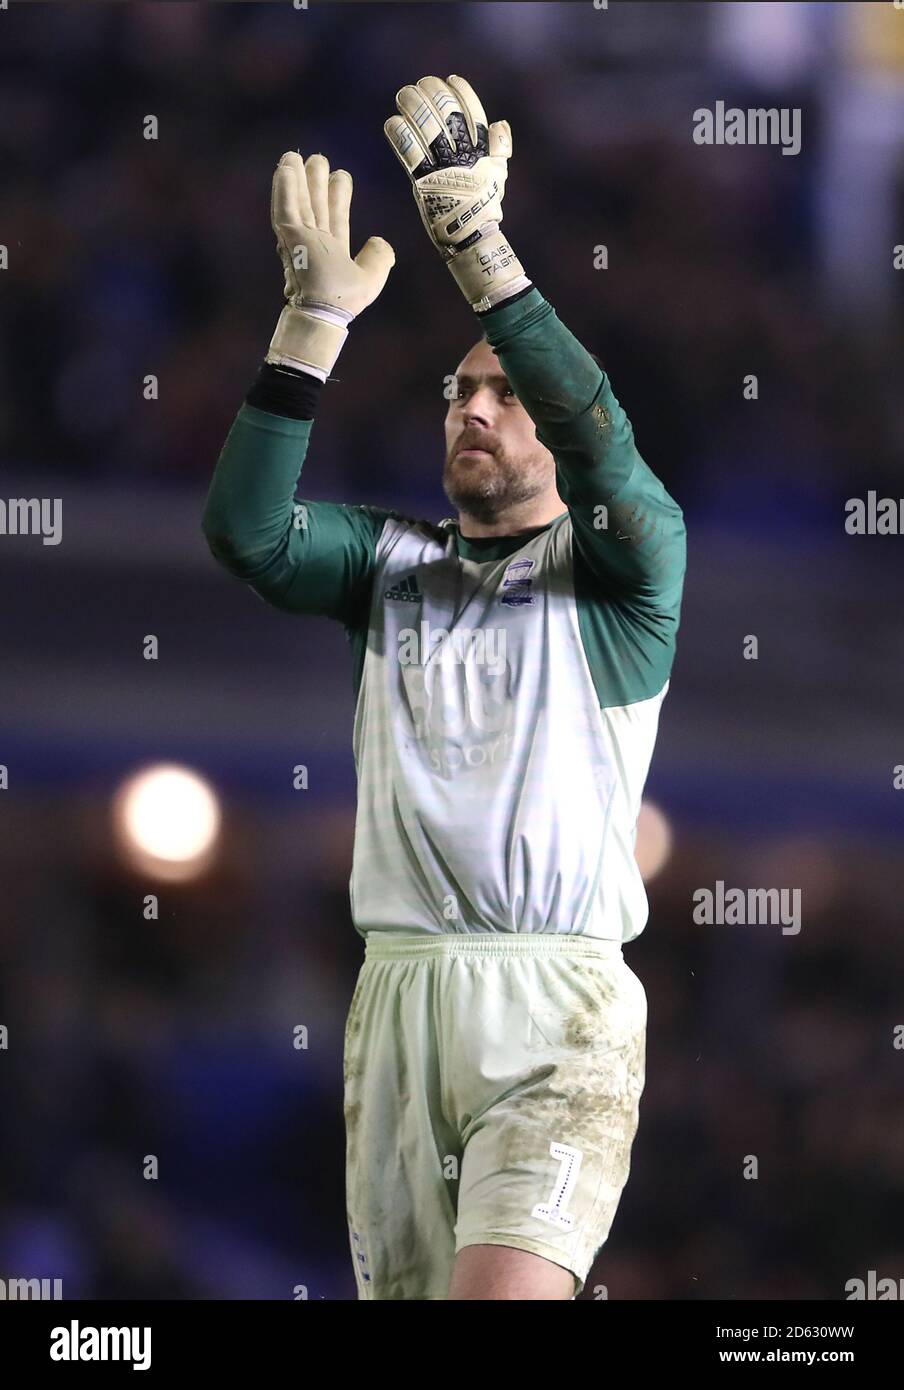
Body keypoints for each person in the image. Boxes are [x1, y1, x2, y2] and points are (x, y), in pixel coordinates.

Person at [202, 74, 686, 1301]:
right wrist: (311, 327)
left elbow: (602, 439)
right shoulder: (388, 564)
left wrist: (481, 253)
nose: (473, 405)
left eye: (504, 392)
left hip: (559, 1003)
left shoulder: (625, 572)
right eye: (459, 391)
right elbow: (245, 533)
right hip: (399, 992)